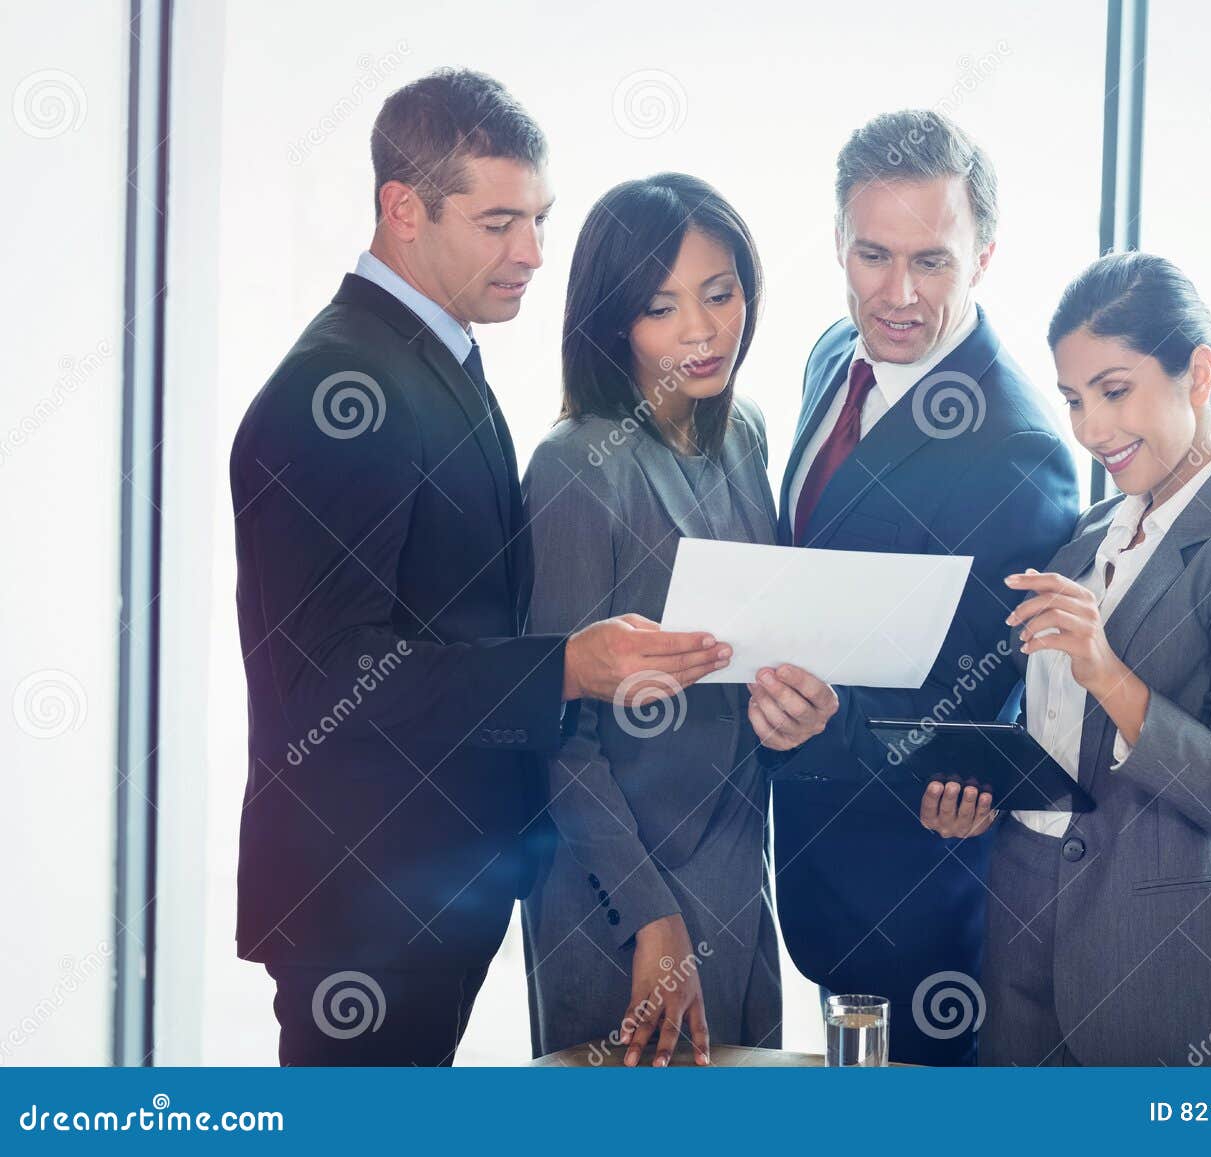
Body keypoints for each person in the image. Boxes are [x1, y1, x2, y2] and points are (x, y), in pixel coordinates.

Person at [229, 71, 729, 1066]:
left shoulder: (426, 356)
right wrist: (565, 667)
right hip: (363, 905)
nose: (533, 253)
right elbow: (328, 676)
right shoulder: (343, 386)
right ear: (402, 210)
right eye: (499, 222)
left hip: (418, 896)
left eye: (538, 219)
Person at [921, 251, 1211, 1066]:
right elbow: (1048, 747)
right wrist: (977, 791)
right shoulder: (1089, 536)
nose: (1091, 429)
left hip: (1163, 989)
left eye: (1115, 391)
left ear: (1198, 371)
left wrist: (1107, 671)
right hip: (1020, 968)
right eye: (1075, 400)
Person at [766, 110, 1079, 1065]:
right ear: (837, 245)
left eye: (932, 262)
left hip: (918, 899)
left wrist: (819, 716)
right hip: (812, 868)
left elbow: (969, 704)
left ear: (984, 255)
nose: (898, 295)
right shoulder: (834, 355)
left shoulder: (1018, 454)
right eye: (873, 256)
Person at [520, 174, 837, 1067]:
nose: (702, 330)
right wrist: (649, 915)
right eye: (662, 307)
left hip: (738, 869)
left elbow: (762, 641)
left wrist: (801, 702)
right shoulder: (577, 466)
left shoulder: (747, 437)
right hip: (614, 895)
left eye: (721, 293)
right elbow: (556, 727)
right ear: (613, 320)